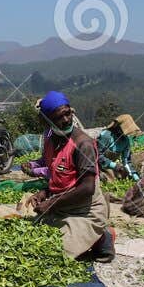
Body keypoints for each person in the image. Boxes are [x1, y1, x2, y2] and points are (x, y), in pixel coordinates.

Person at [27, 91, 113, 262]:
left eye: (68, 113)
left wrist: (51, 203)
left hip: (84, 211)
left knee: (54, 255)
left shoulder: (83, 143)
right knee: (30, 243)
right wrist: (44, 192)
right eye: (59, 117)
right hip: (60, 206)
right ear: (47, 121)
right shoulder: (51, 140)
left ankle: (103, 237)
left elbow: (87, 188)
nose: (66, 120)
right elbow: (58, 175)